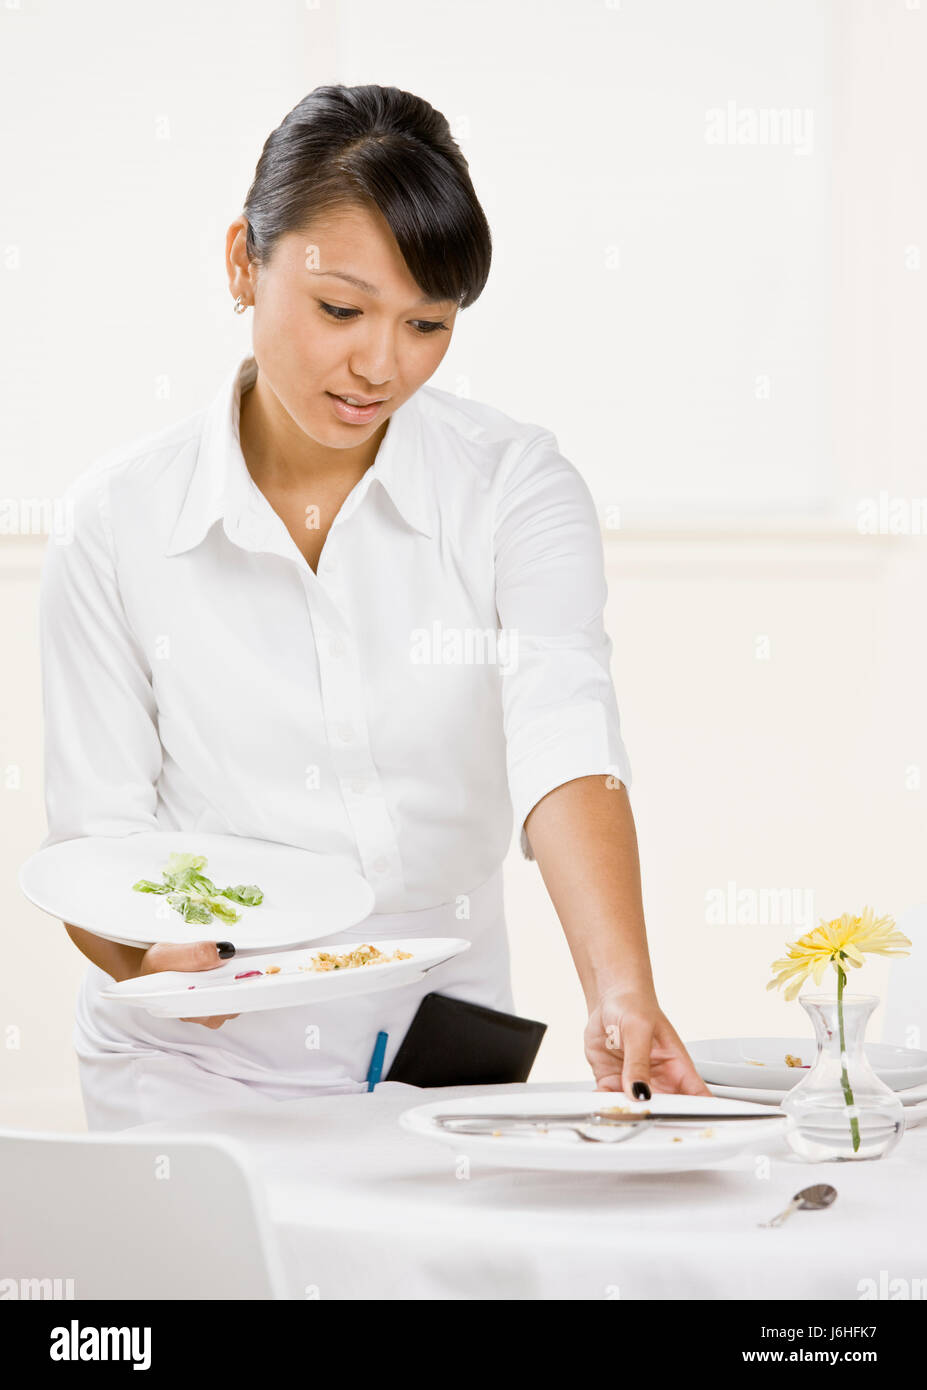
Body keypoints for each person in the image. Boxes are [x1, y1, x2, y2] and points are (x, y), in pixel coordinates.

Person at [38, 83, 710, 1130]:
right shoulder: (115, 520)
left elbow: (564, 733)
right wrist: (148, 960)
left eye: (426, 323)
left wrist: (620, 989)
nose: (380, 365)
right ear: (242, 262)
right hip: (195, 1058)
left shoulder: (513, 486)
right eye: (340, 310)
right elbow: (99, 835)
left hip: (440, 1040)